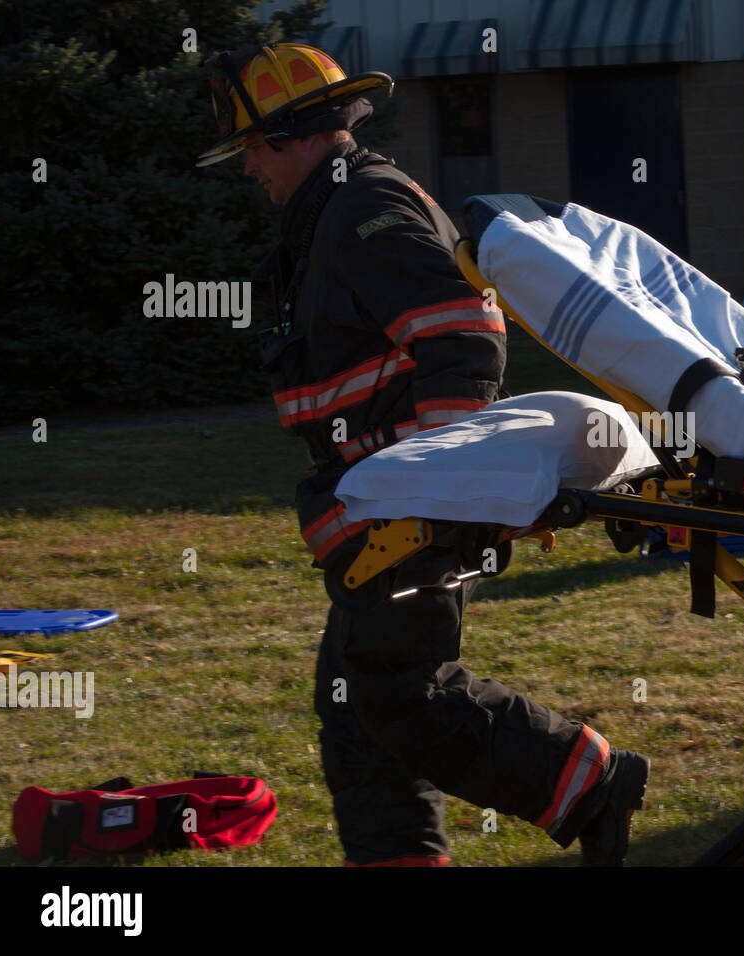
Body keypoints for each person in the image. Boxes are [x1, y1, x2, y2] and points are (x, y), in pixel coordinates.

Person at [196, 42, 649, 866]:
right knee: (358, 703)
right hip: (381, 505)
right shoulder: (334, 214)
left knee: (403, 698)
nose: (249, 170)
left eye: (252, 150)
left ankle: (588, 782)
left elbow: (461, 334)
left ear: (291, 136)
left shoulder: (363, 209)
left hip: (408, 508)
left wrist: (444, 485)